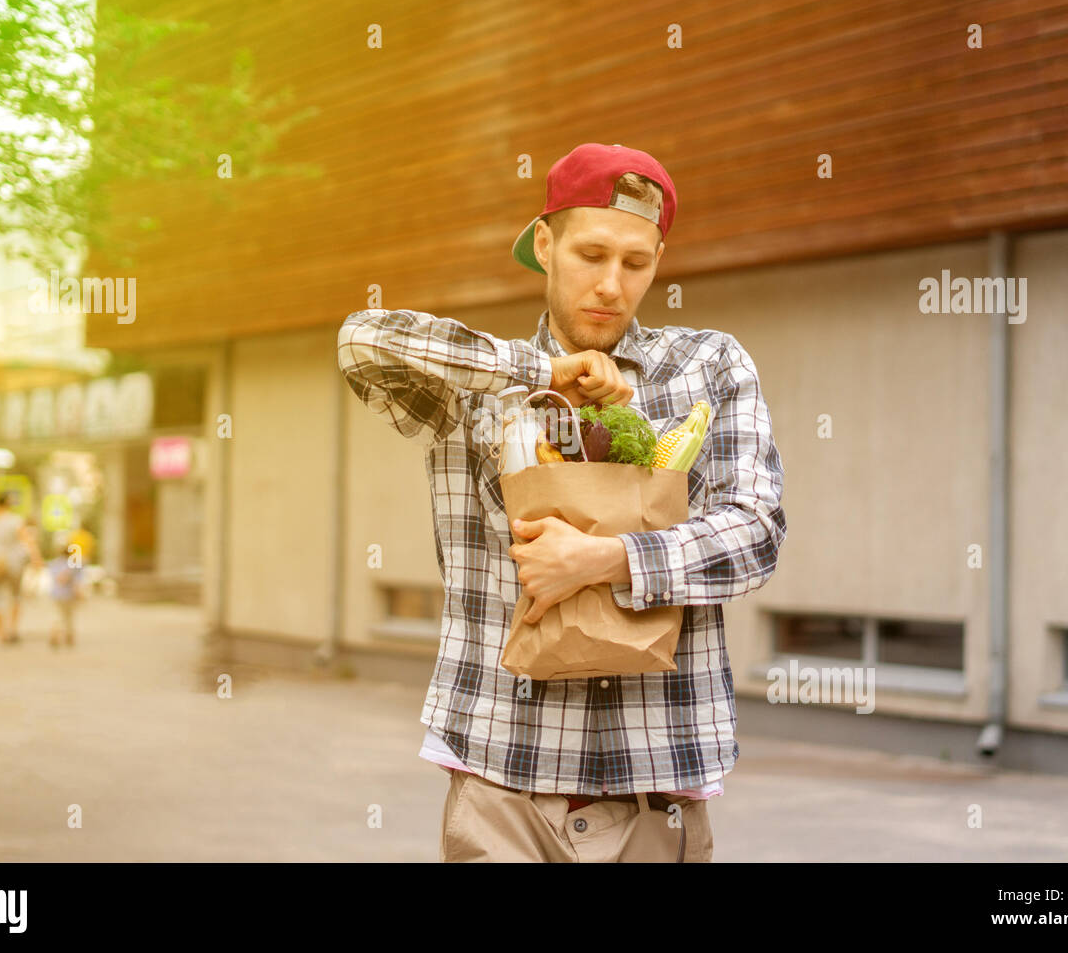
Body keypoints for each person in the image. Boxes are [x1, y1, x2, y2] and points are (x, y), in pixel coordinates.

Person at [337, 143, 787, 862]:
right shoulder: (474, 385)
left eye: (636, 264)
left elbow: (757, 532)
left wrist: (605, 559)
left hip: (654, 786)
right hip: (501, 783)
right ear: (544, 243)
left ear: (658, 260)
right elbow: (361, 341)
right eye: (591, 254)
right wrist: (539, 368)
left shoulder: (708, 366)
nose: (611, 284)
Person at [0, 492, 42, 645]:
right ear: (8, 504)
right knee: (16, 596)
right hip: (13, 562)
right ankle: (12, 629)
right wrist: (36, 558)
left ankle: (1, 633)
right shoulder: (15, 521)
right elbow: (27, 540)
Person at [46, 531, 83, 648]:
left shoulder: (54, 563)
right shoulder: (75, 564)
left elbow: (53, 577)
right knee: (69, 617)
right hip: (69, 594)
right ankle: (69, 636)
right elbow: (78, 581)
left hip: (56, 594)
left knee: (58, 615)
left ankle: (56, 633)